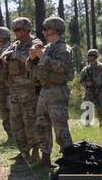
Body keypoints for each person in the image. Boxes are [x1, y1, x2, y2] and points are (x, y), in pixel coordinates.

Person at [29, 15, 73, 167]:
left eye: (48, 29)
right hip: (44, 90)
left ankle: (69, 161)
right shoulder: (46, 48)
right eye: (45, 29)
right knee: (41, 124)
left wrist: (42, 57)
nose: (45, 32)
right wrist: (32, 57)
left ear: (57, 30)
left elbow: (62, 68)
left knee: (60, 127)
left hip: (58, 90)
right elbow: (33, 68)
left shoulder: (64, 49)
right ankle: (45, 159)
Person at [2, 17, 39, 167]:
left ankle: (35, 151)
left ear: (27, 29)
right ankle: (24, 152)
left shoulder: (35, 44)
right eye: (15, 30)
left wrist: (16, 55)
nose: (17, 33)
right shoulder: (14, 45)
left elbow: (33, 58)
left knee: (30, 122)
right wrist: (4, 57)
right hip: (14, 90)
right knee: (15, 123)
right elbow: (3, 56)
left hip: (28, 90)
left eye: (19, 30)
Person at [80, 49, 102, 127]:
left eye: (92, 55)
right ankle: (87, 125)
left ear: (96, 56)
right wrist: (87, 84)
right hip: (88, 92)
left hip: (99, 92)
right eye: (89, 55)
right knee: (88, 109)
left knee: (100, 109)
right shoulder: (85, 70)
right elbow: (81, 81)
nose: (90, 57)